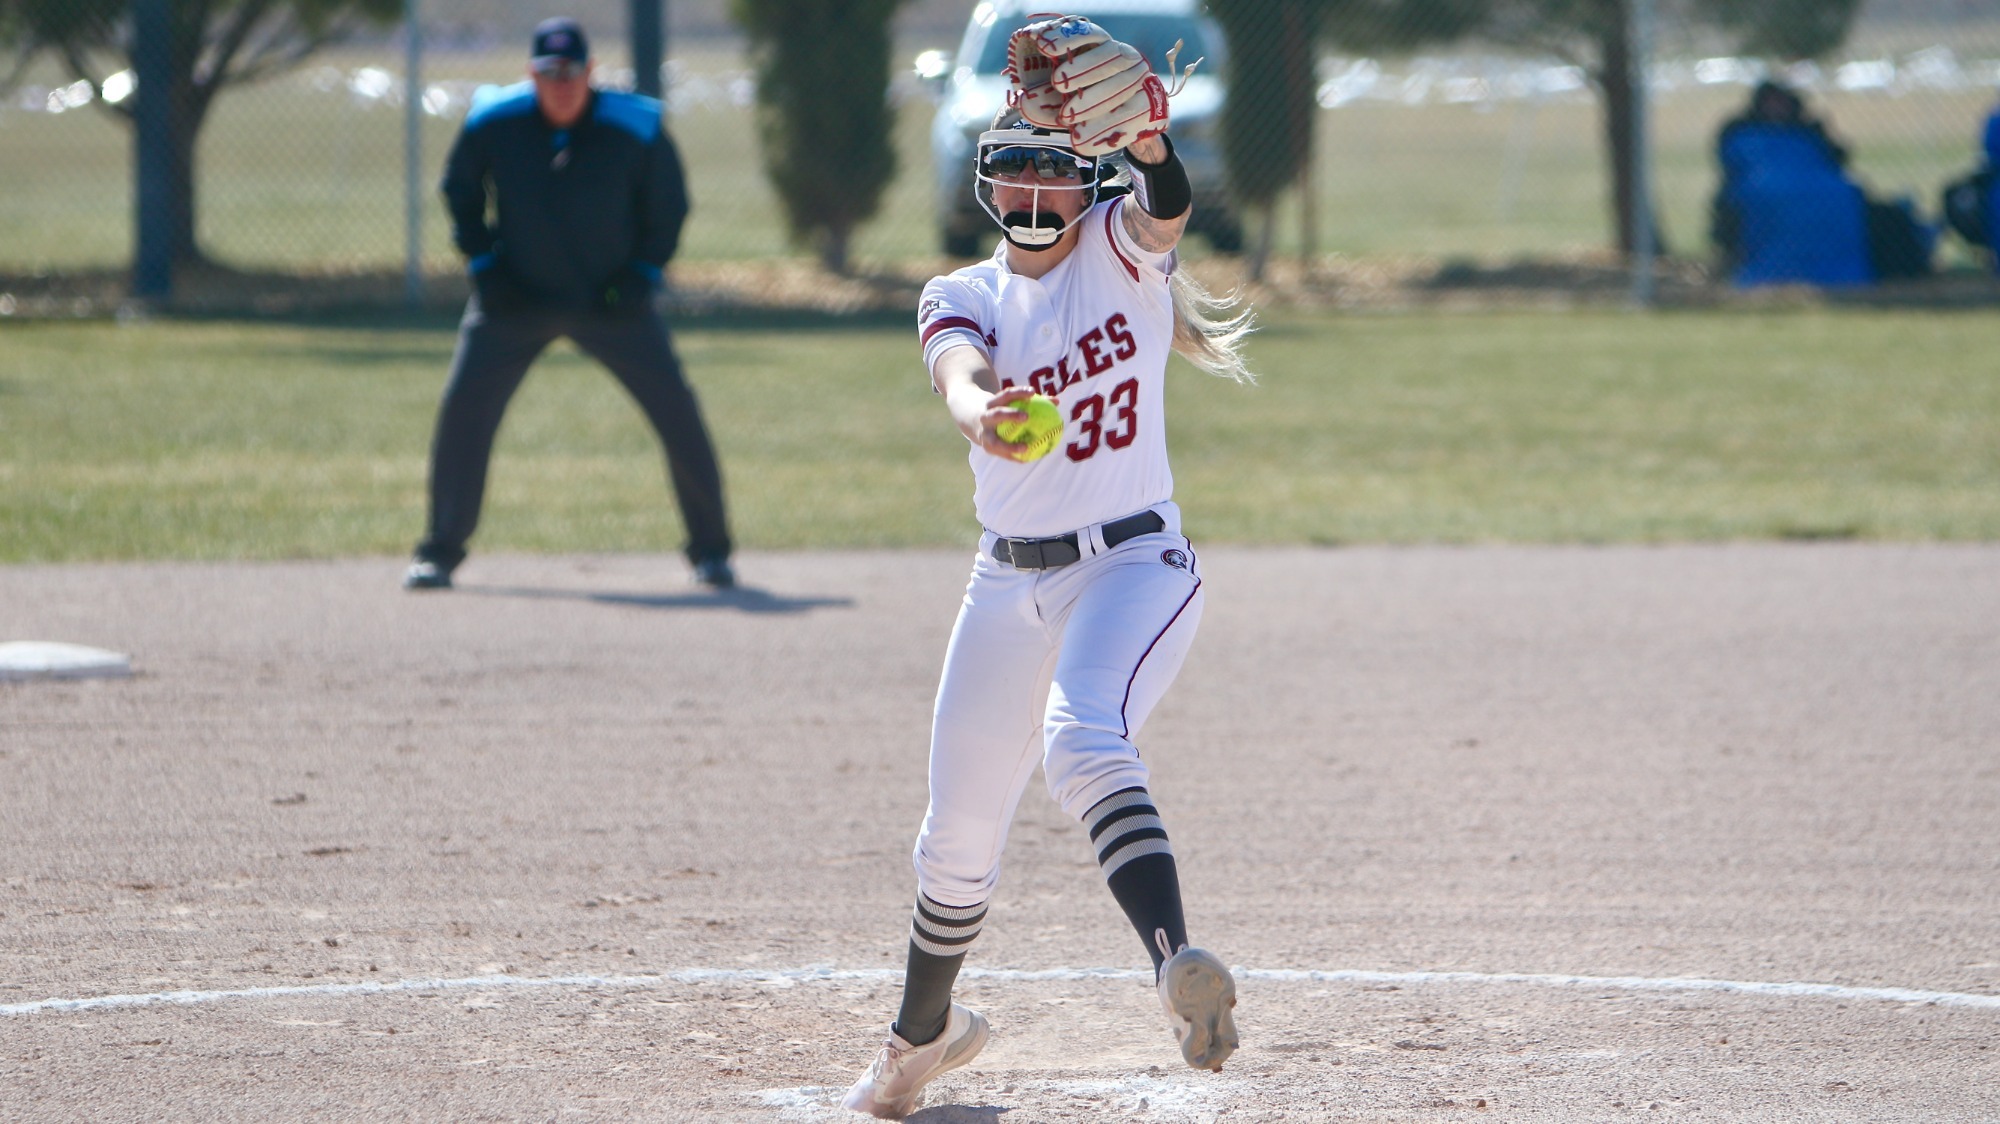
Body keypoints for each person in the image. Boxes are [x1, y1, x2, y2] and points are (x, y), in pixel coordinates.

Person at [838, 20, 1255, 1117]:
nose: (1031, 189)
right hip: (1002, 587)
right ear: (985, 182)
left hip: (1132, 567)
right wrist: (987, 413)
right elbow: (958, 374)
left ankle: (1175, 964)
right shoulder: (958, 290)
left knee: (1083, 736)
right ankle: (915, 1044)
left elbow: (1165, 209)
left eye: (1051, 171)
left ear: (1086, 185)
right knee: (954, 838)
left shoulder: (1120, 248)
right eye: (1011, 166)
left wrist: (1153, 146)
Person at [405, 17, 734, 591]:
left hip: (611, 303)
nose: (562, 82)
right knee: (463, 409)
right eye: (549, 71)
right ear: (530, 74)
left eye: (573, 70)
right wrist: (485, 265)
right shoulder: (493, 120)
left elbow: (669, 206)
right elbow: (459, 191)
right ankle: (439, 550)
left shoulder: (636, 124)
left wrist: (642, 275)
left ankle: (712, 551)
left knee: (678, 412)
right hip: (514, 300)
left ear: (592, 72)